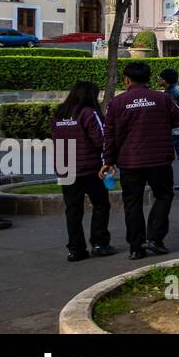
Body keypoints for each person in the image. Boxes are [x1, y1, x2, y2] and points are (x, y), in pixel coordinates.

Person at [102, 60, 179, 259]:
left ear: (127, 80)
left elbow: (109, 135)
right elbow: (178, 119)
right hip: (159, 159)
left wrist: (108, 161)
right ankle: (155, 239)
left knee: (132, 203)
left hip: (129, 161)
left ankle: (136, 247)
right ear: (148, 79)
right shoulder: (162, 99)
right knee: (163, 196)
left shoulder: (117, 103)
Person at [51, 81, 115, 261]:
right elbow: (102, 140)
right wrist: (108, 162)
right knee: (101, 204)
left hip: (65, 169)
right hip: (89, 168)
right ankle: (99, 243)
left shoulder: (59, 114)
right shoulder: (88, 113)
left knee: (73, 210)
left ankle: (75, 249)